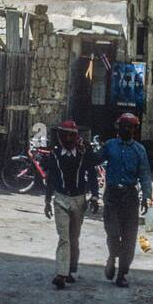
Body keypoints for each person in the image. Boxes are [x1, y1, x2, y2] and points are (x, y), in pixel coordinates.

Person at [92, 112, 152, 287]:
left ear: (135, 129)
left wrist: (146, 197)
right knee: (112, 232)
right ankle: (112, 256)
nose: (127, 129)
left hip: (130, 195)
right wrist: (87, 151)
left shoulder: (139, 150)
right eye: (124, 125)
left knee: (129, 237)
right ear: (119, 127)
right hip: (112, 195)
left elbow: (145, 175)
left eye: (131, 126)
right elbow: (96, 160)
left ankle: (122, 273)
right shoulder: (110, 146)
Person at [41, 120, 101, 290]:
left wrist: (95, 196)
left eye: (71, 134)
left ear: (76, 137)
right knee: (64, 238)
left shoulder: (84, 154)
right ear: (59, 136)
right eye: (64, 134)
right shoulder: (54, 154)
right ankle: (61, 273)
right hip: (60, 199)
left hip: (79, 199)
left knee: (74, 238)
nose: (68, 138)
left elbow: (91, 175)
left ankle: (70, 269)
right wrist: (47, 201)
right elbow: (51, 178)